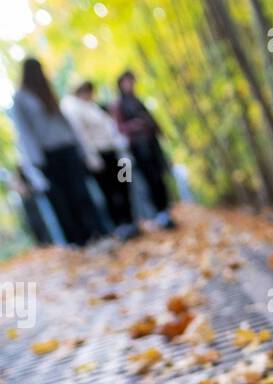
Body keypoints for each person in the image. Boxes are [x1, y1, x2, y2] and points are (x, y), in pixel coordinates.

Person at [10, 58, 103, 246]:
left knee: (80, 192)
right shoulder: (21, 98)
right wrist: (34, 162)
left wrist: (83, 150)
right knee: (62, 199)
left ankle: (97, 231)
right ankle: (78, 240)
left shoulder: (47, 91)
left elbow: (66, 123)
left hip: (68, 149)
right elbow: (24, 132)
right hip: (47, 156)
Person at [61, 81, 136, 239]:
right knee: (110, 191)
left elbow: (110, 126)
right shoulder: (74, 108)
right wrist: (91, 156)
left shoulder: (93, 107)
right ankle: (120, 225)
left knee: (125, 183)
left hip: (114, 152)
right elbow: (81, 135)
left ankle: (131, 220)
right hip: (99, 155)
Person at [111, 70, 175, 229]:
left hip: (151, 145)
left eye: (132, 81)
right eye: (127, 81)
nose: (130, 84)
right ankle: (156, 214)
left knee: (159, 177)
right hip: (137, 149)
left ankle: (165, 211)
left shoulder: (137, 100)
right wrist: (136, 125)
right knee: (147, 180)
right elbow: (119, 128)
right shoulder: (118, 104)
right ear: (120, 84)